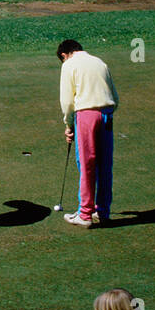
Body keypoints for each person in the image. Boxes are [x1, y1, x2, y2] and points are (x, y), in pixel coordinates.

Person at [58, 39, 118, 228]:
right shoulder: (100, 62)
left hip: (86, 115)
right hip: (107, 114)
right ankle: (103, 212)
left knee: (87, 164)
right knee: (104, 164)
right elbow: (115, 97)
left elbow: (67, 102)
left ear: (63, 55)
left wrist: (69, 125)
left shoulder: (69, 65)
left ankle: (85, 214)